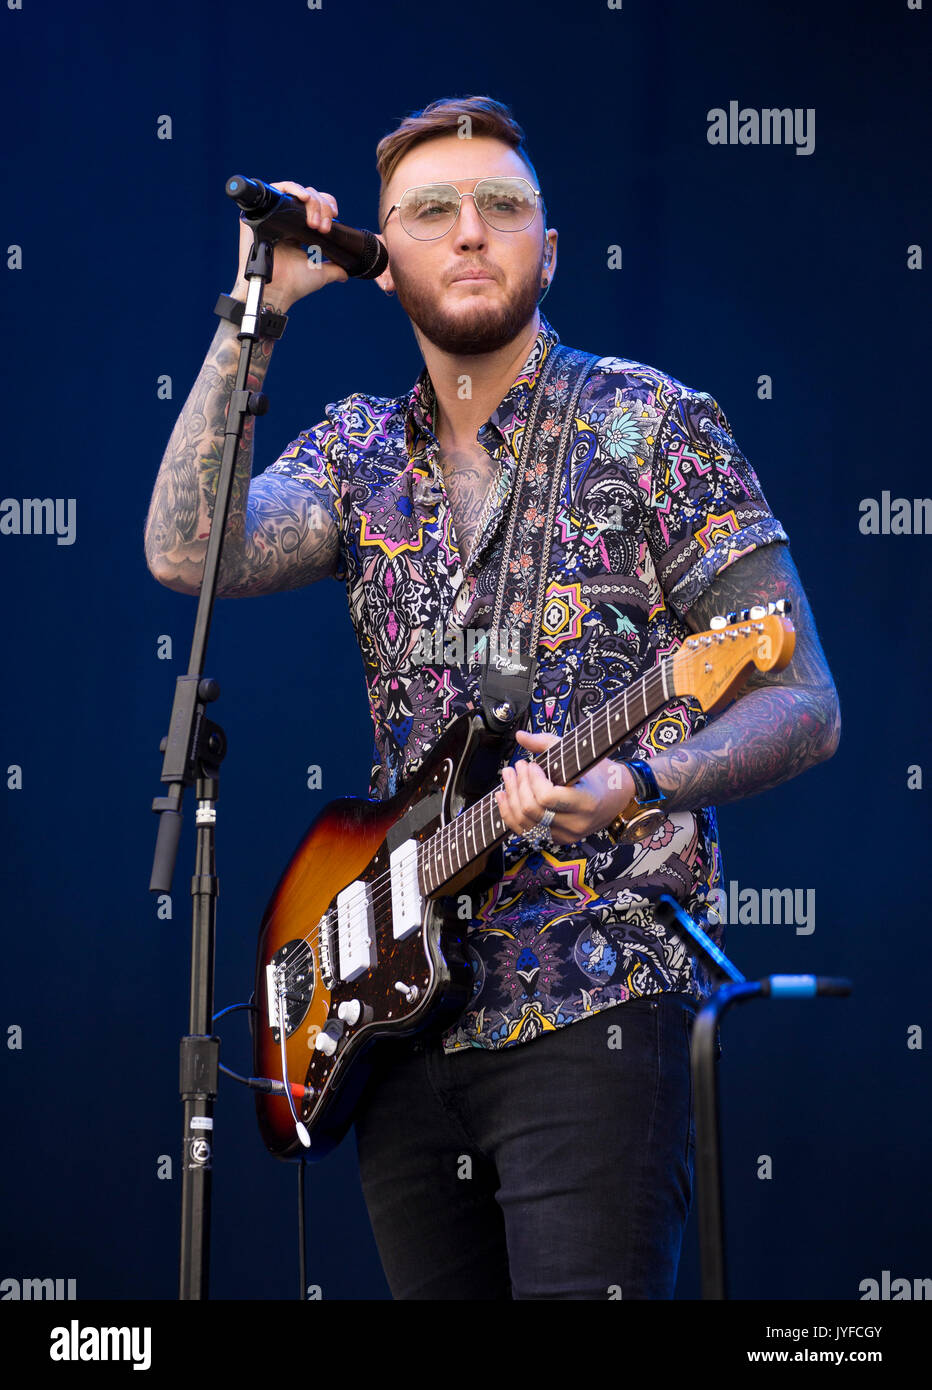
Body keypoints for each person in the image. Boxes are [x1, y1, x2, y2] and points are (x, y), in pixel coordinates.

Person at [144, 95, 840, 1300]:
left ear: (547, 249)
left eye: (501, 208)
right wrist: (254, 316)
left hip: (597, 999)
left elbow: (805, 698)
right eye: (428, 212)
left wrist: (639, 779)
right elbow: (184, 547)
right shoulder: (356, 452)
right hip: (397, 1020)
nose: (469, 232)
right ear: (380, 259)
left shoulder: (651, 423)